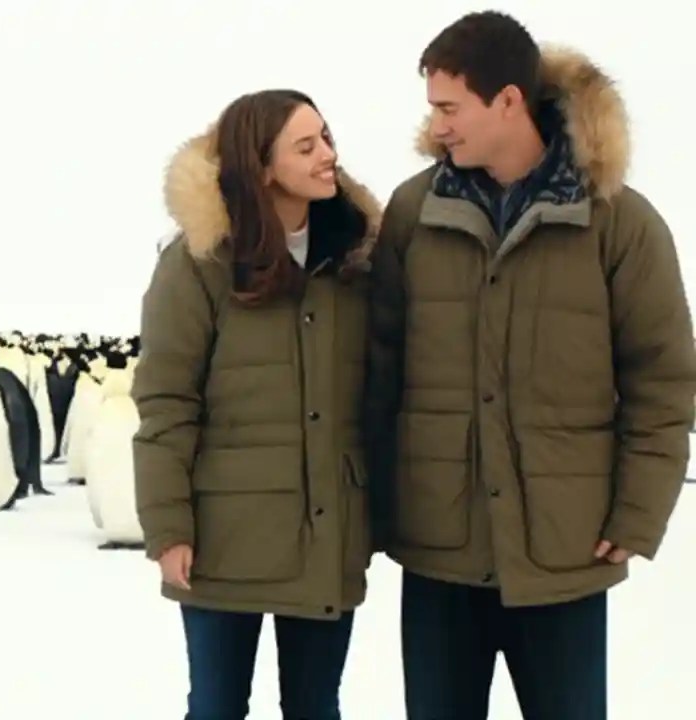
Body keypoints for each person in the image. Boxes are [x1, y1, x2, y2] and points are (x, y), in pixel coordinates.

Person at [364, 10, 696, 720]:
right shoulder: (412, 212)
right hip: (439, 554)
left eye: (450, 107)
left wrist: (636, 517)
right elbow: (376, 371)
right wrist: (380, 508)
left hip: (563, 559)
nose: (438, 125)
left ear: (508, 100)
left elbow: (663, 382)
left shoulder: (620, 224)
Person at [131, 89, 383, 720]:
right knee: (216, 707)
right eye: (307, 145)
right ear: (262, 167)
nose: (329, 155)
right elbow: (166, 402)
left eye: (327, 137)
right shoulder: (198, 264)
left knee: (315, 706)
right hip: (222, 539)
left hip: (326, 527)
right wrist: (168, 525)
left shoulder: (355, 260)